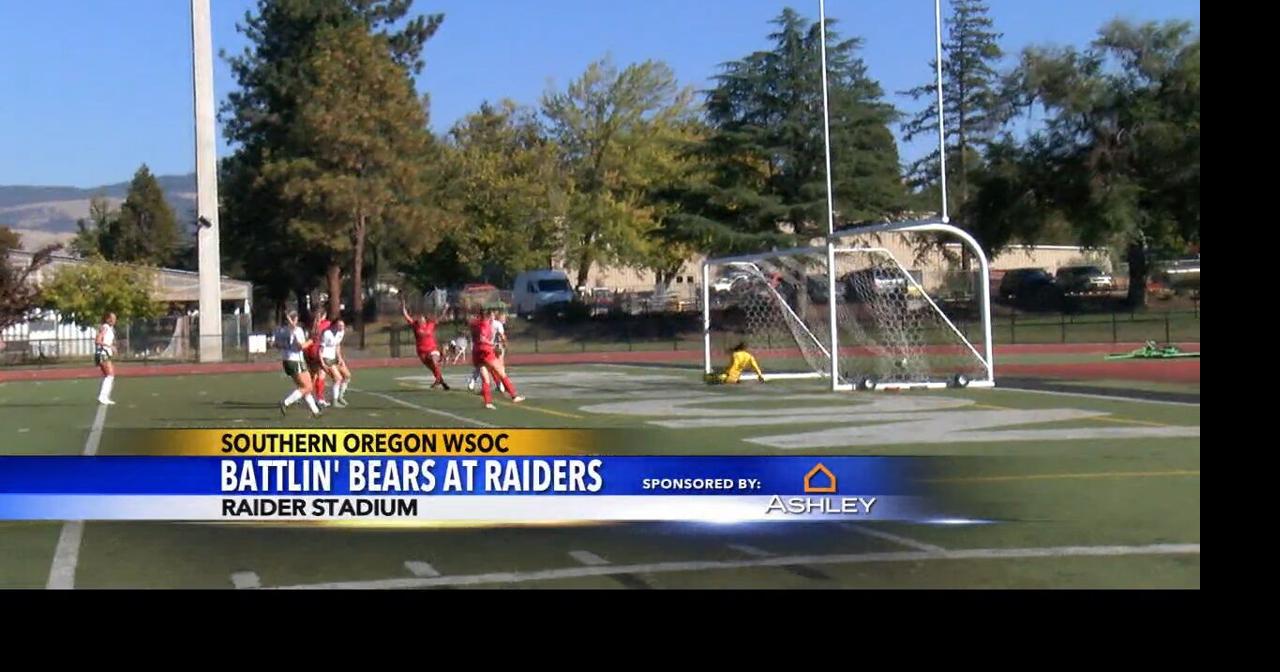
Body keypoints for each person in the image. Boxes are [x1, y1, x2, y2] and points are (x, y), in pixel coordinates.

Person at [468, 308, 524, 409]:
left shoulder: (475, 324)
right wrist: (493, 345)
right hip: (486, 351)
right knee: (501, 373)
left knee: (485, 378)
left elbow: (474, 335)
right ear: (488, 316)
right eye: (491, 316)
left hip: (476, 352)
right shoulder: (484, 324)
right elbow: (482, 338)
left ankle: (488, 402)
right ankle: (514, 396)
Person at [278, 311, 322, 417]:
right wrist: (312, 341)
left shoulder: (282, 330)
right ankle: (285, 402)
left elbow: (277, 344)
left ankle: (315, 411)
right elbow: (301, 346)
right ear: (295, 319)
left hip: (286, 361)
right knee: (308, 387)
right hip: (296, 360)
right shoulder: (298, 330)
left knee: (304, 387)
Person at [402, 297, 449, 390]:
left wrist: (445, 309)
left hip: (432, 349)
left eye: (422, 319)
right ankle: (440, 380)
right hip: (421, 351)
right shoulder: (415, 326)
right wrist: (403, 306)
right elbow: (406, 315)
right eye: (419, 319)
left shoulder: (430, 324)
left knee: (434, 361)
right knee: (432, 367)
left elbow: (440, 318)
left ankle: (440, 377)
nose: (420, 320)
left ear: (425, 320)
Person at [321, 320, 351, 407]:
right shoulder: (327, 333)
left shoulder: (341, 332)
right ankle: (334, 401)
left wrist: (340, 358)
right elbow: (321, 349)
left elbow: (337, 345)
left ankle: (340, 396)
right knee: (338, 378)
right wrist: (322, 361)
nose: (342, 327)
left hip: (334, 358)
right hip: (326, 358)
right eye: (339, 325)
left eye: (343, 325)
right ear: (334, 326)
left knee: (347, 376)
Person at [303, 310, 331, 407]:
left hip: (309, 351)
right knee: (321, 374)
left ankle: (305, 393)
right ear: (324, 315)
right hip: (318, 352)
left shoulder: (312, 326)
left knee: (313, 375)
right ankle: (320, 398)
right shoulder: (326, 324)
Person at [95, 312, 118, 405]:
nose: (114, 320)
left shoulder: (109, 328)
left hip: (105, 353)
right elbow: (98, 340)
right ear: (108, 319)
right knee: (110, 375)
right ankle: (102, 396)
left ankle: (104, 396)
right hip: (102, 354)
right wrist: (110, 346)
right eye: (112, 318)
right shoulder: (105, 327)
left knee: (109, 376)